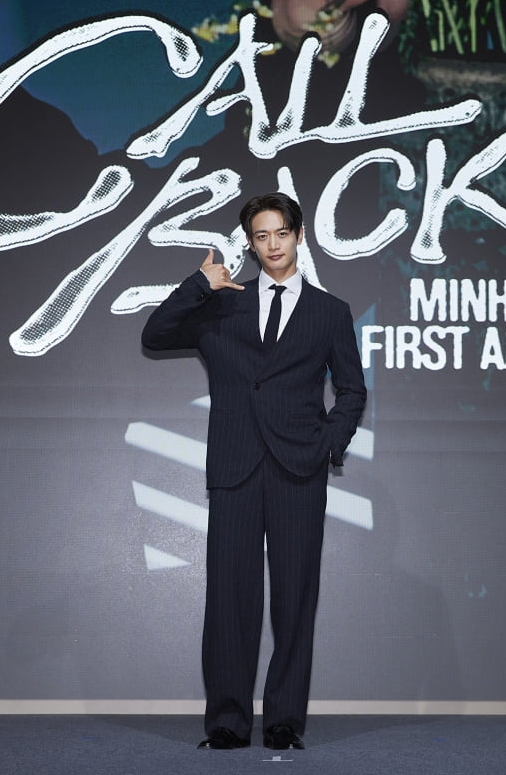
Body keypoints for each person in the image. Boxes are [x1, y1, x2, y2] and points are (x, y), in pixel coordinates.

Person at [141, 192, 366, 751]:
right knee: (229, 599)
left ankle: (285, 720)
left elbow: (352, 391)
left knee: (294, 599)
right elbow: (154, 335)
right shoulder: (221, 306)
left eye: (281, 233)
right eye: (261, 236)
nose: (273, 245)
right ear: (250, 243)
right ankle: (227, 721)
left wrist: (327, 444)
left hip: (299, 469)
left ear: (299, 235)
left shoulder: (330, 312)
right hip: (236, 466)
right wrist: (199, 285)